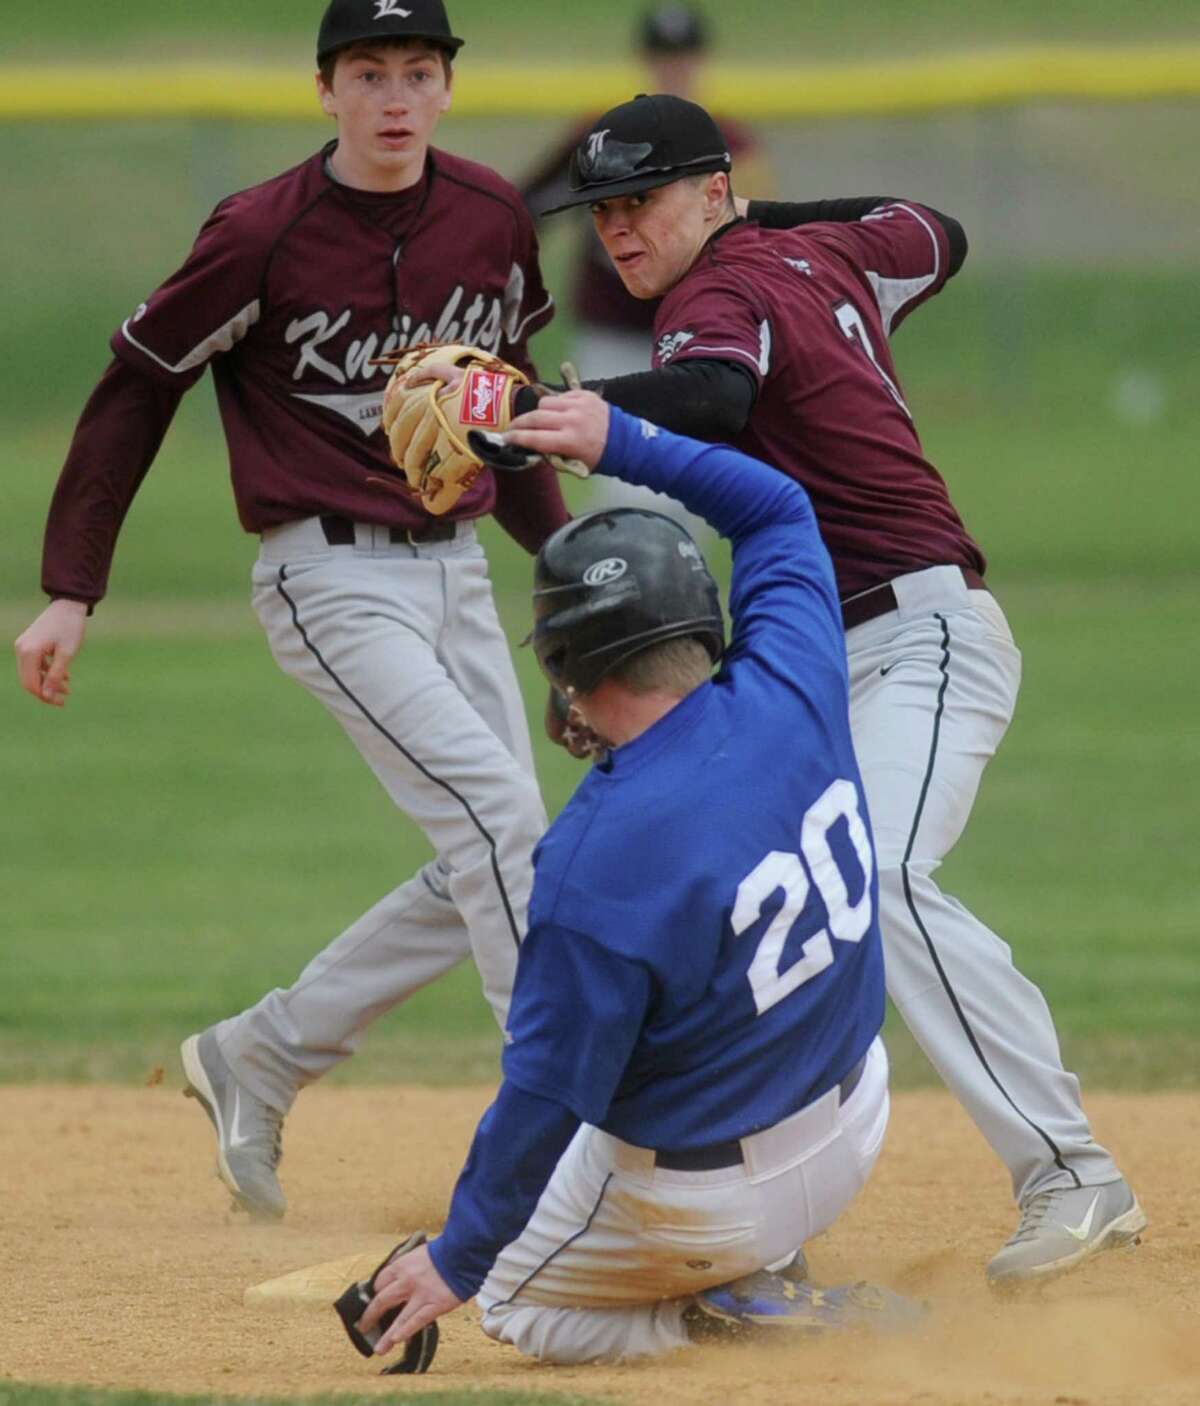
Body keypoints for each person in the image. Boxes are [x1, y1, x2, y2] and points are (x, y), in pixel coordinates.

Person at [535, 93, 1146, 1286]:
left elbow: (712, 396)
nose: (615, 228)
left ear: (712, 191)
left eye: (640, 198)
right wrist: (777, 215)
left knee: (876, 876)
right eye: (601, 207)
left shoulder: (714, 296)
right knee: (757, 899)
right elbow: (938, 229)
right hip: (823, 654)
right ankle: (749, 1224)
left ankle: (1074, 1171)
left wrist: (582, 419)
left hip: (922, 635)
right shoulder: (831, 250)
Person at [12, 0, 569, 1221]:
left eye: (417, 71)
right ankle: (565, 1140)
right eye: (368, 72)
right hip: (329, 575)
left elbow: (508, 413)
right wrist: (72, 587)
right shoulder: (261, 231)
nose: (394, 97)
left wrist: (569, 560)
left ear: (447, 89)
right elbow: (135, 387)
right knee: (501, 819)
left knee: (504, 845)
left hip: (458, 567)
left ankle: (259, 1054)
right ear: (325, 89)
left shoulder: (492, 220)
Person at [353, 391, 909, 1367]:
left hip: (714, 1196)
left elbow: (545, 1091)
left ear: (568, 666)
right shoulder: (794, 670)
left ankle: (724, 1308)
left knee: (518, 1300)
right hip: (859, 1116)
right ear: (695, 615)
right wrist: (618, 439)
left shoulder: (591, 858)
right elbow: (778, 505)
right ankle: (763, 1263)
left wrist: (460, 1255)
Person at [519, 3, 770, 537]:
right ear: (645, 59)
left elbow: (755, 243)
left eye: (681, 56)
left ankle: (662, 592)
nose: (672, 68)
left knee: (689, 486)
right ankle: (619, 585)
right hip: (613, 323)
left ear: (701, 59)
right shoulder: (603, 136)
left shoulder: (730, 145)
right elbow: (530, 206)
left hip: (695, 332)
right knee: (624, 476)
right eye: (662, 56)